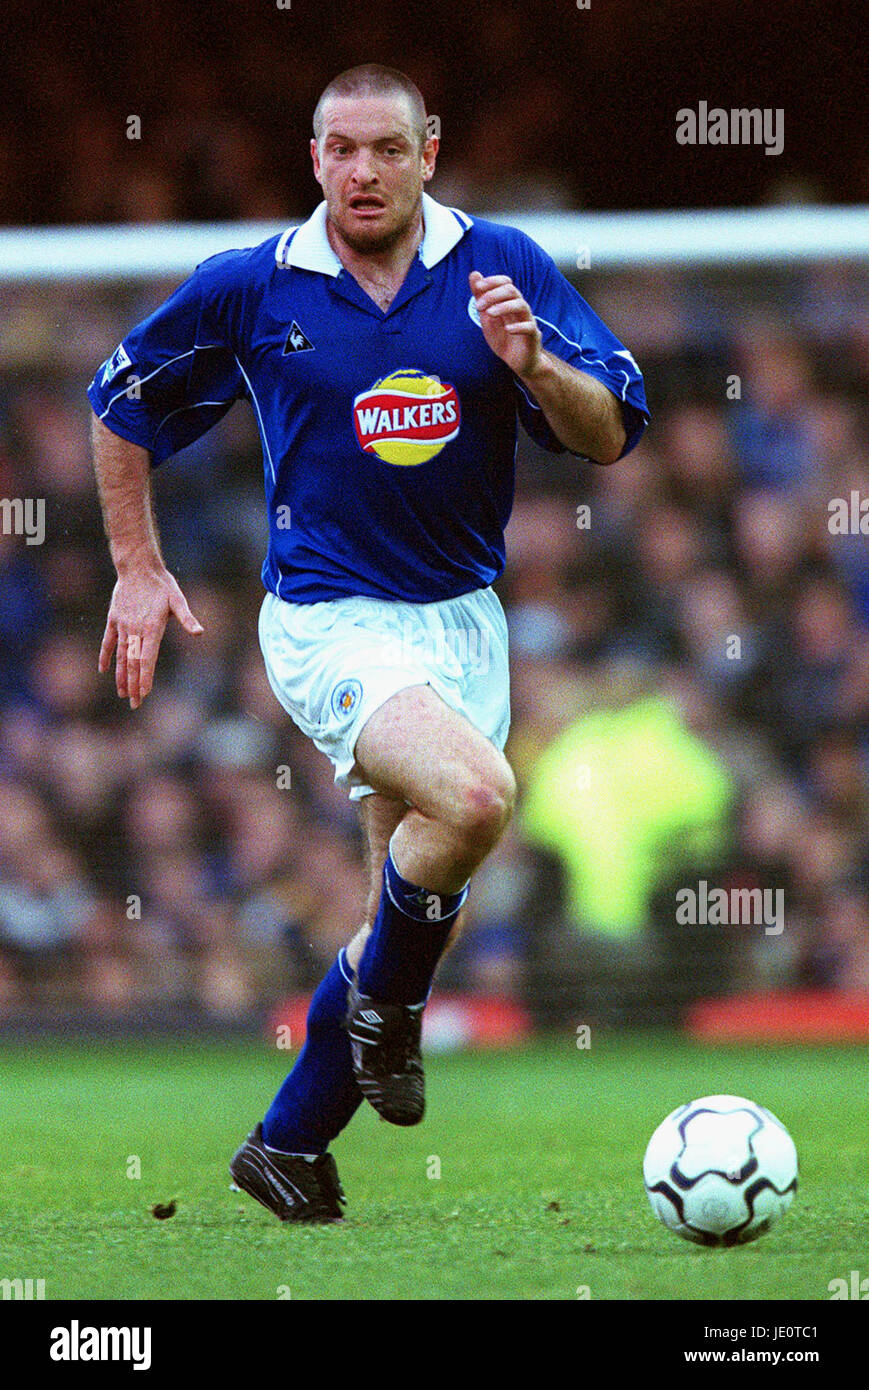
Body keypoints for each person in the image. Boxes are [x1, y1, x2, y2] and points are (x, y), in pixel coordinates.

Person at [87, 63, 649, 1223]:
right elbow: (121, 396)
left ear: (428, 151)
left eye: (386, 149)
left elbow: (610, 433)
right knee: (481, 800)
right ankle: (390, 1019)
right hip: (328, 620)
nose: (363, 171)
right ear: (314, 161)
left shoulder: (499, 268)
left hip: (462, 625)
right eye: (340, 150)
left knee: (399, 908)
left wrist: (535, 364)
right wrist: (138, 568)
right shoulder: (256, 284)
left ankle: (288, 1143)